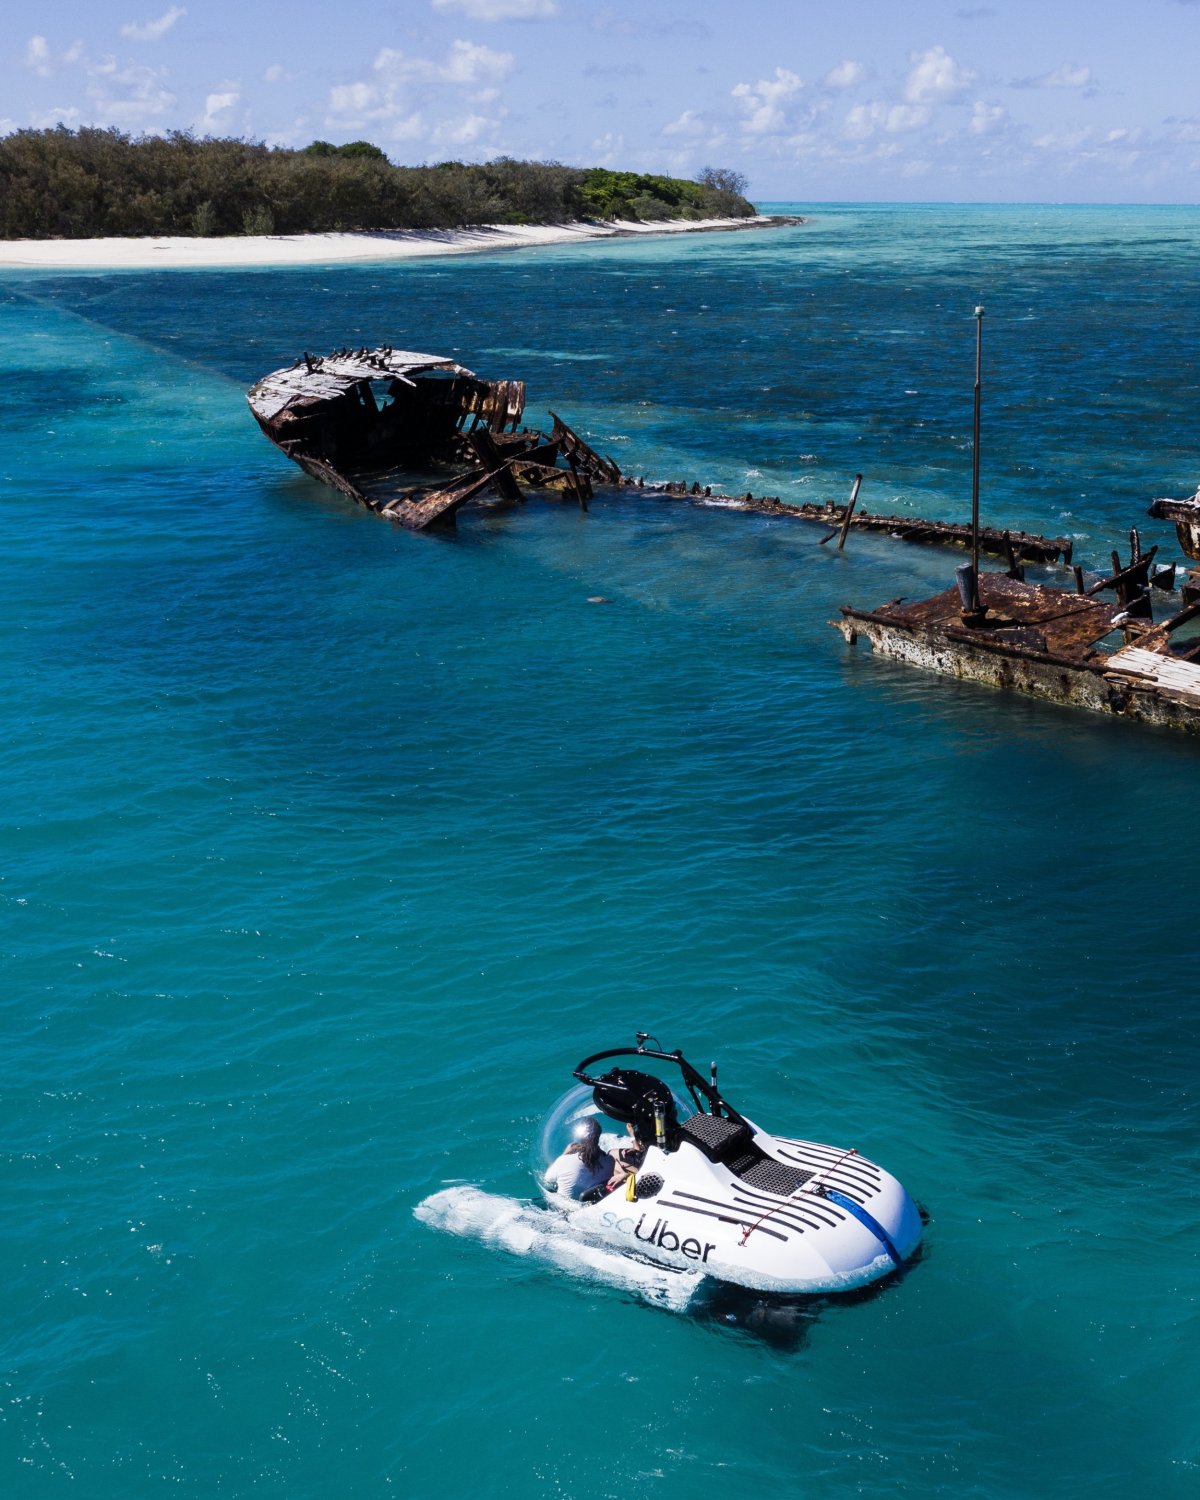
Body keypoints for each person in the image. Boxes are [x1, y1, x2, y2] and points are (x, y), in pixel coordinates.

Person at [544, 1117, 614, 1200]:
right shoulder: (610, 1161)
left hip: (563, 1209)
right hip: (591, 1207)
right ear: (598, 1137)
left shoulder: (564, 1161)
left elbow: (547, 1179)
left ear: (579, 1137)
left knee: (551, 1186)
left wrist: (565, 1154)